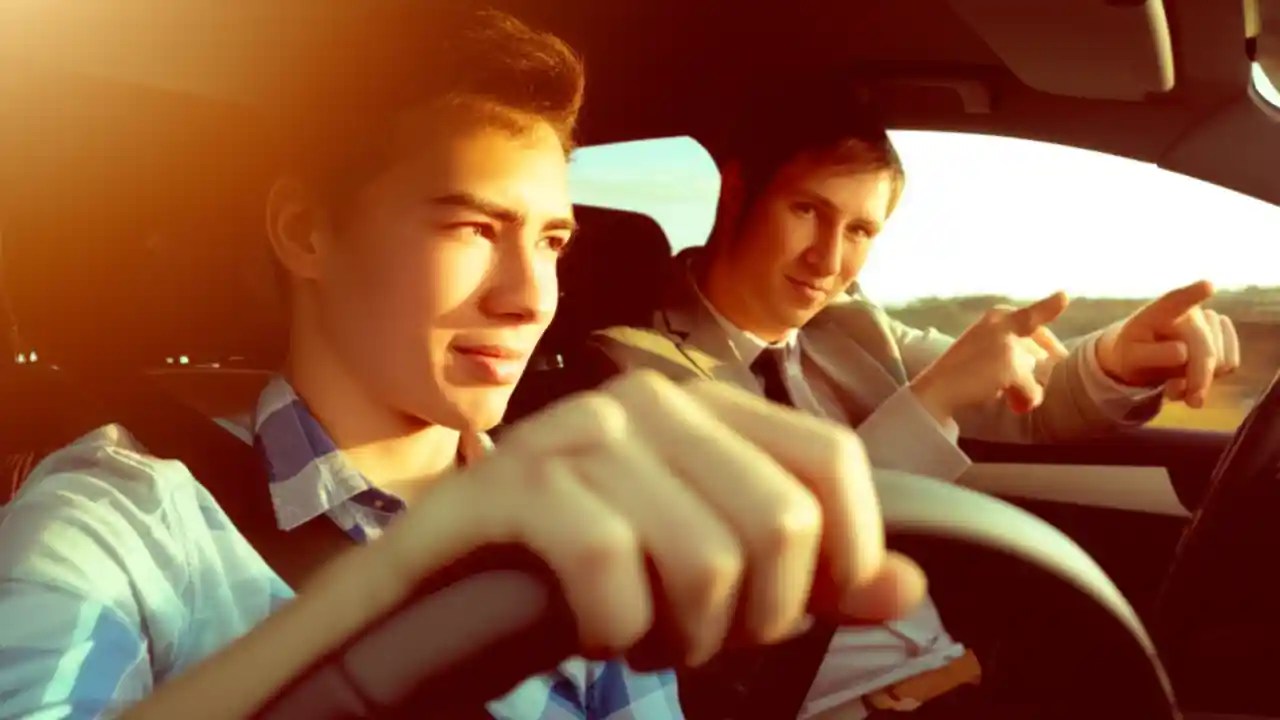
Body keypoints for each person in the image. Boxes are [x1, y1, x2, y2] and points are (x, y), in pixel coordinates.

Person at [0, 11, 927, 720]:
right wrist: (390, 585)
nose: (531, 296)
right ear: (307, 231)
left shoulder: (582, 531)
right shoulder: (119, 523)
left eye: (552, 241)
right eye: (473, 228)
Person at [581, 91, 1241, 718]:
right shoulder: (630, 369)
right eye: (807, 210)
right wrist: (934, 398)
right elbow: (780, 561)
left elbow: (1034, 401)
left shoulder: (851, 328)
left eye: (860, 229)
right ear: (737, 191)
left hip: (950, 671)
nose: (828, 259)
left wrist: (1119, 357)